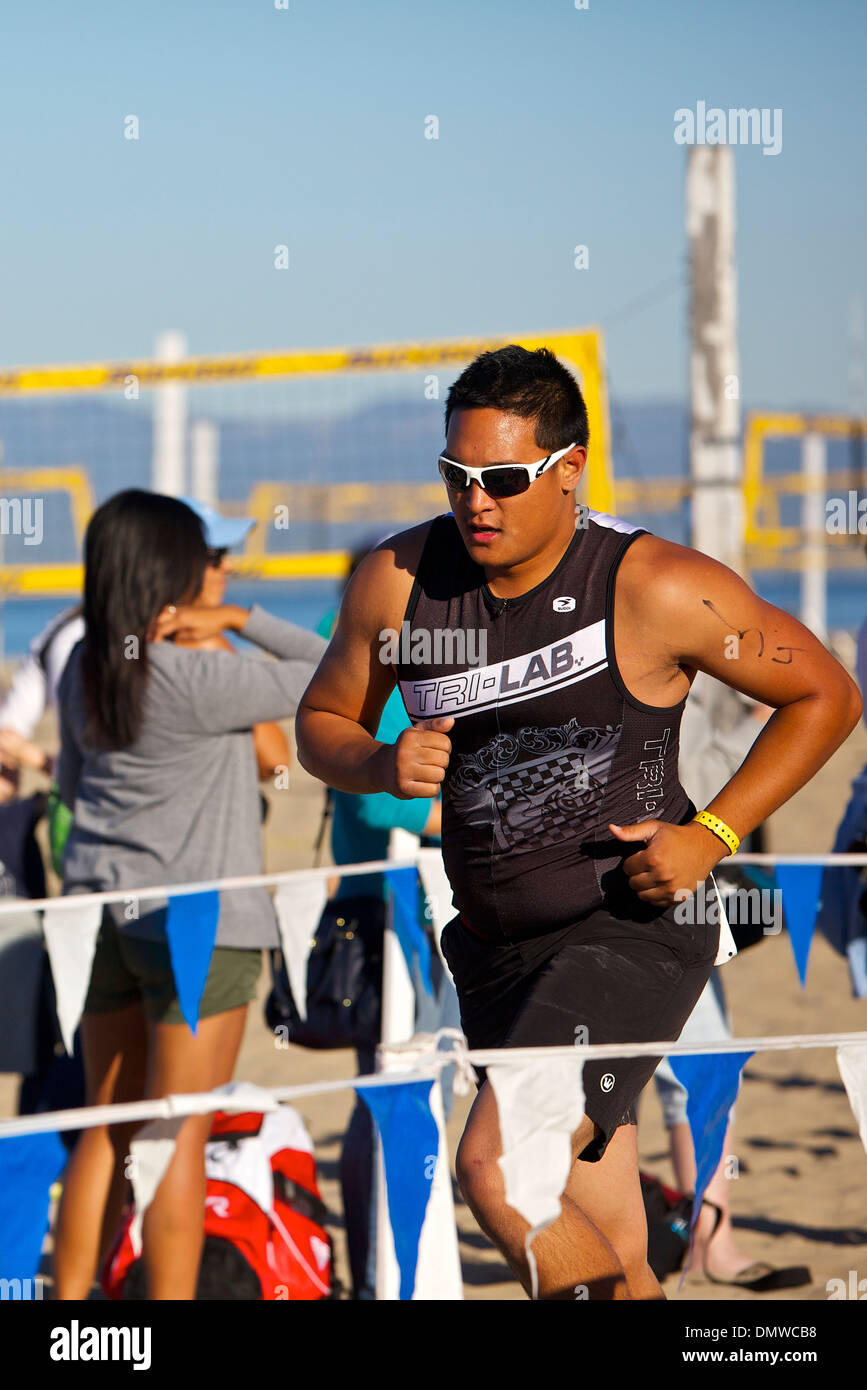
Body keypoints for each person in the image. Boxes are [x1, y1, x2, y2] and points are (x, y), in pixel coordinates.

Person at [295, 344, 862, 1301]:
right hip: (494, 947)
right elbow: (321, 723)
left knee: (499, 1167)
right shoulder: (400, 581)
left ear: (568, 472)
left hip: (628, 929)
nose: (475, 502)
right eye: (456, 476)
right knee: (612, 1238)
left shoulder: (652, 586)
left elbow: (824, 694)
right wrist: (378, 761)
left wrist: (714, 835)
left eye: (503, 480)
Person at [52, 489, 326, 1300]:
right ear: (170, 573)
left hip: (96, 917)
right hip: (198, 927)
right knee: (177, 1130)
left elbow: (72, 790)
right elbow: (336, 666)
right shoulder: (193, 677)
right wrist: (239, 619)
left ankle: (74, 1317)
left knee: (108, 1128)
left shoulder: (83, 666)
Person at [315, 540, 460, 1299]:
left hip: (415, 894)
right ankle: (381, 1270)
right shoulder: (383, 652)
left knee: (405, 1087)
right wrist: (483, 815)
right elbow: (378, 793)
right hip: (391, 901)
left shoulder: (412, 646)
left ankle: (391, 1263)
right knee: (389, 1089)